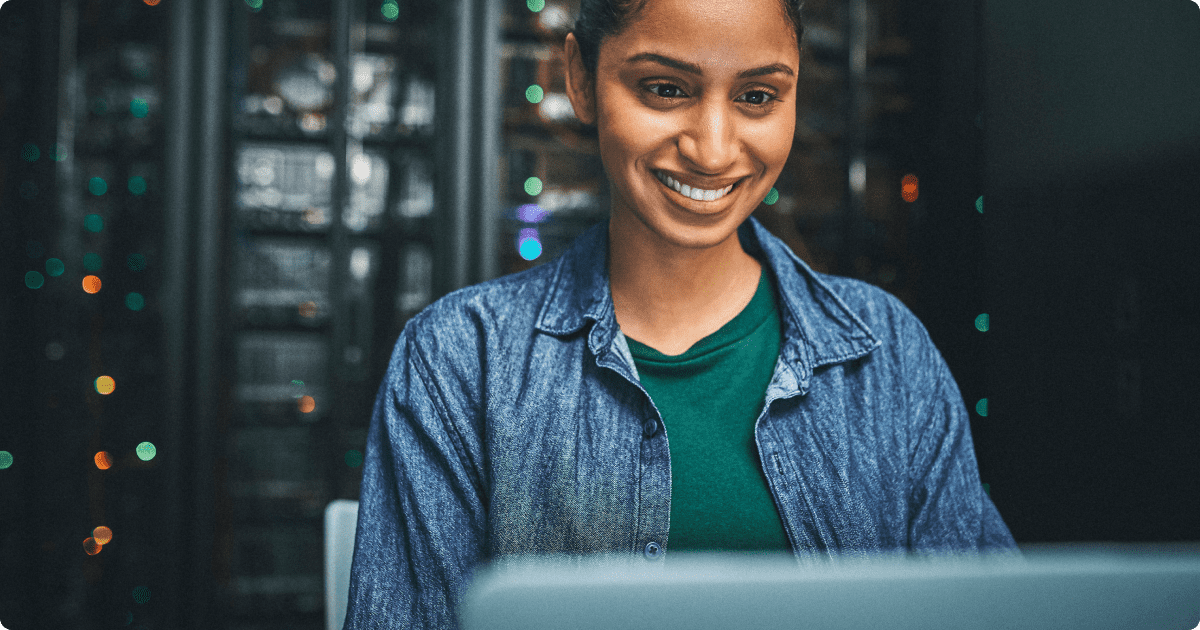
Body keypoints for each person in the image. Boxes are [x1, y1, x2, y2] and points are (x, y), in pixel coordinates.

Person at [344, 0, 1017, 626]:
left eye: (758, 96)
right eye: (666, 89)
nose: (713, 148)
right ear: (579, 77)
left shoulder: (886, 352)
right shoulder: (458, 361)